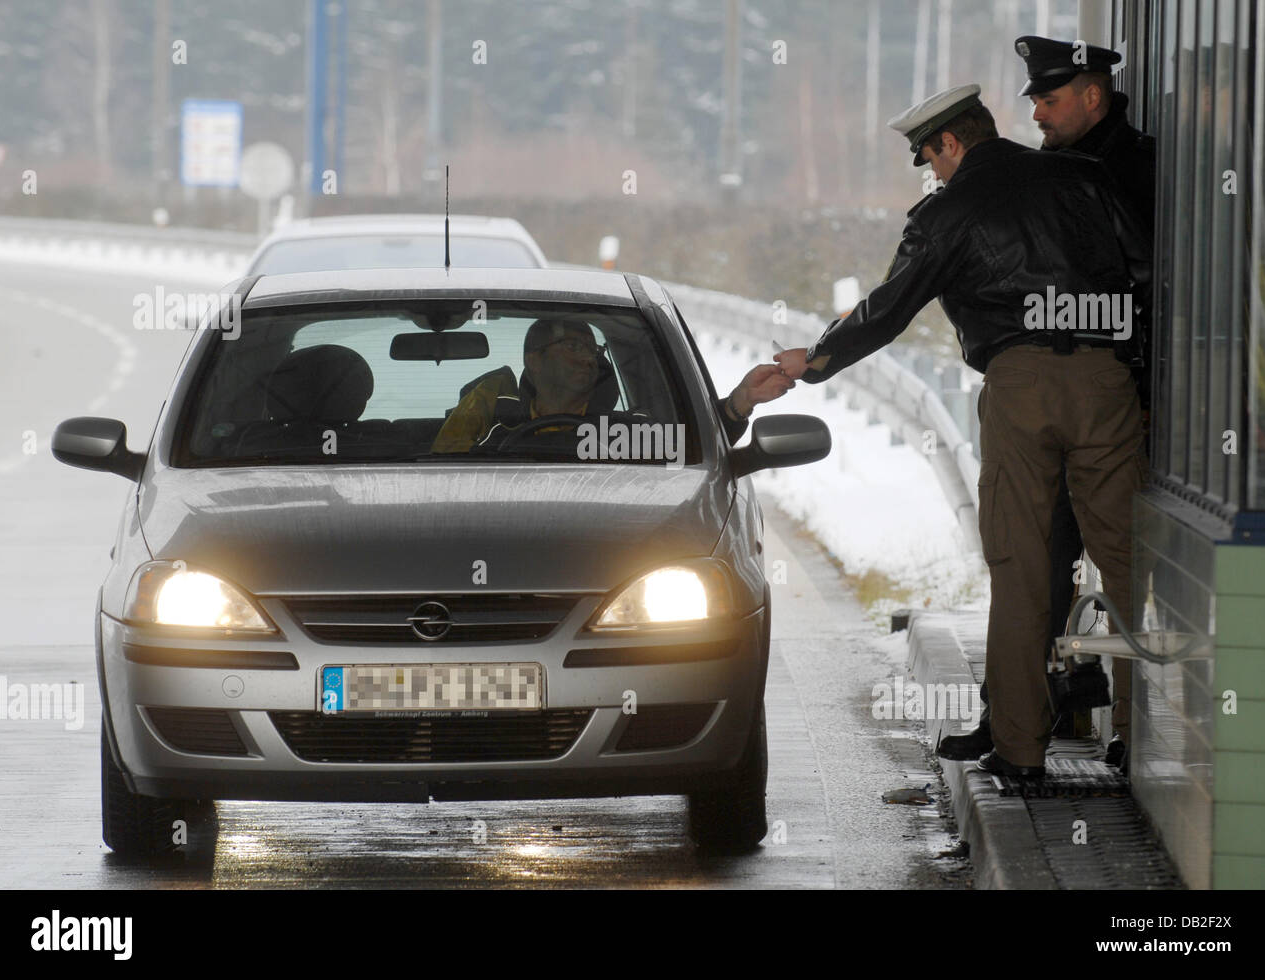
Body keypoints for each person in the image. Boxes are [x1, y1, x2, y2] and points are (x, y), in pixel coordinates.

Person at [775, 84, 1151, 779]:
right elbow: (1146, 271)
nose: (932, 172)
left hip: (1021, 385)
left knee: (1023, 565)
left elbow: (889, 308)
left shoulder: (951, 212)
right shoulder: (1084, 178)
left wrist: (816, 359)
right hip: (1106, 379)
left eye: (930, 158)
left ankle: (1020, 748)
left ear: (951, 143)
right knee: (1126, 560)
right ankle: (1139, 739)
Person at [1010, 35, 1157, 769]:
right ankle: (1031, 718)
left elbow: (1160, 292)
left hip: (1121, 398)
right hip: (1059, 399)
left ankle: (1131, 730)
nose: (1036, 110)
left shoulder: (1141, 170)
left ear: (1092, 96)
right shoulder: (1045, 173)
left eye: (1049, 96)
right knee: (1041, 556)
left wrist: (1150, 393)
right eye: (1036, 97)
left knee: (1122, 564)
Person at [433, 317, 792, 453]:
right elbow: (439, 472)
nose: (588, 358)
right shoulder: (491, 425)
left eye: (592, 349)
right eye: (572, 347)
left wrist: (738, 403)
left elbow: (695, 451)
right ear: (534, 360)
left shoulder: (624, 435)